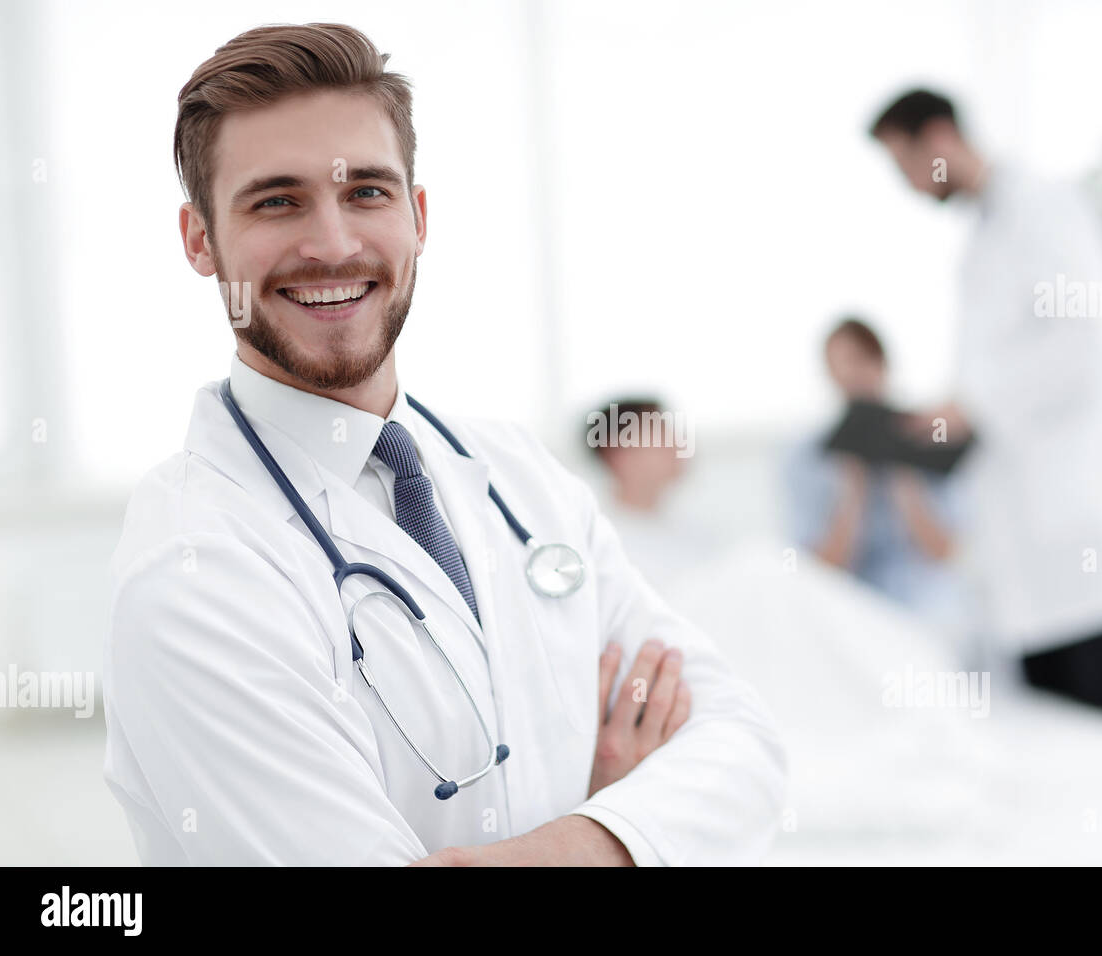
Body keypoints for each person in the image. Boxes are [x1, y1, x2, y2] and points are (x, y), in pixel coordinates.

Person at [101, 22, 786, 867]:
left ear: (419, 217)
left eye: (368, 194)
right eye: (276, 200)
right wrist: (632, 819)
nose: (333, 244)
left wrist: (586, 839)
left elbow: (746, 744)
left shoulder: (518, 474)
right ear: (200, 239)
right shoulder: (193, 569)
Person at [867, 89, 1102, 718]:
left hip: (1085, 538)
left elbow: (1079, 347)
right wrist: (955, 411)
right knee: (1060, 739)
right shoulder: (985, 235)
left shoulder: (1047, 210)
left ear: (939, 137)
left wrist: (970, 408)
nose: (906, 183)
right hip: (1036, 555)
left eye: (905, 164)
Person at [784, 318, 974, 658]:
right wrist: (852, 490)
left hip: (930, 617)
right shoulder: (808, 457)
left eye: (860, 359)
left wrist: (902, 465)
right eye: (838, 365)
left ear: (881, 363)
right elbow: (820, 572)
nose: (851, 375)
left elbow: (945, 551)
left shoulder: (929, 437)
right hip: (852, 620)